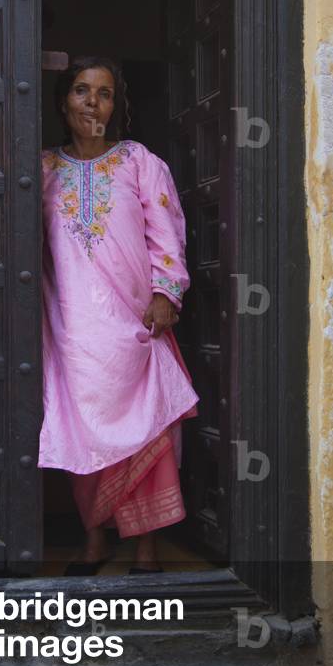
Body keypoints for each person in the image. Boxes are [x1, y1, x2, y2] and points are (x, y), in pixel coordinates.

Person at [39, 56, 200, 575]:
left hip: (136, 323)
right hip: (74, 330)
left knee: (148, 429)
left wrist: (166, 294)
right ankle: (94, 541)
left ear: (117, 104)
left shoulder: (137, 162)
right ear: (64, 101)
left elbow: (167, 232)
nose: (93, 102)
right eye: (82, 91)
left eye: (104, 93)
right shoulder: (43, 169)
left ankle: (146, 547)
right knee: (80, 429)